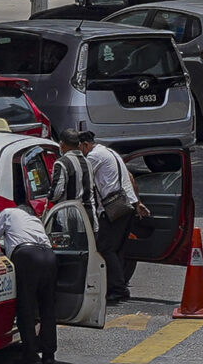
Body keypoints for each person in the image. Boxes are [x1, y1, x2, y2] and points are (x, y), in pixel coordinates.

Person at [80, 131, 150, 303]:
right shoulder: (111, 152)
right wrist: (137, 203)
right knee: (116, 249)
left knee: (105, 248)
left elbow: (83, 179)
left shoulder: (94, 156)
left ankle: (118, 290)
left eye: (80, 148)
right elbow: (131, 177)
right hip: (127, 205)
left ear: (85, 145)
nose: (81, 153)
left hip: (113, 208)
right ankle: (117, 284)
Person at [0, 197, 58, 364]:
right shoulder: (35, 220)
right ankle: (49, 354)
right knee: (47, 307)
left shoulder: (8, 213)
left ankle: (31, 355)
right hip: (49, 256)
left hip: (26, 256)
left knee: (26, 307)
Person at [49, 128, 98, 228]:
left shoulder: (61, 163)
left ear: (62, 144)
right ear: (79, 145)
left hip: (69, 219)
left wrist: (48, 195)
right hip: (90, 218)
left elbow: (56, 194)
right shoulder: (87, 162)